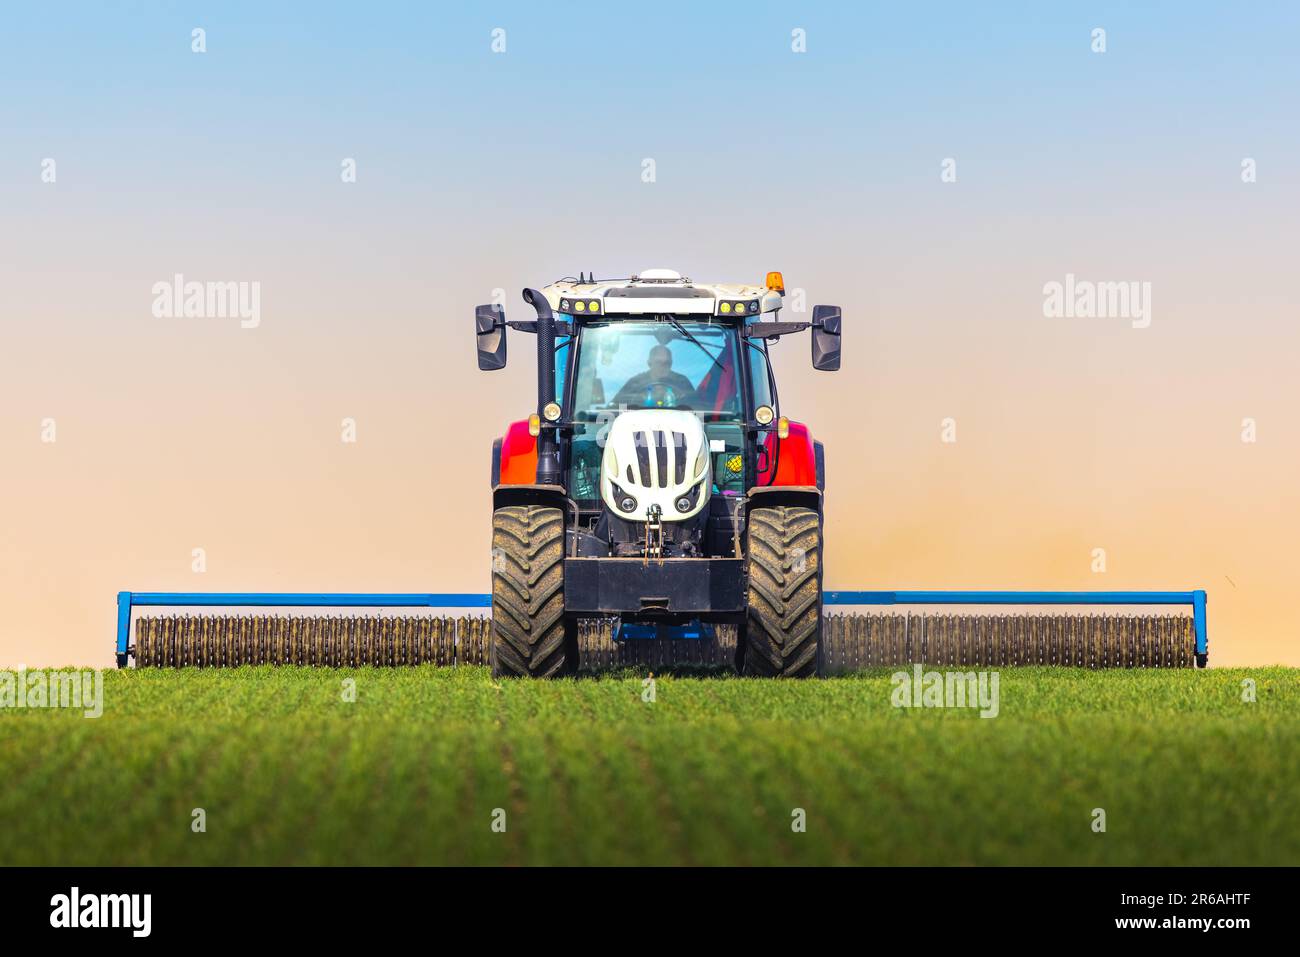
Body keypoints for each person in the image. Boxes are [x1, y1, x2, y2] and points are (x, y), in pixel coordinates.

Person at [612, 344, 697, 408]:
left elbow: (698, 408)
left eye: (667, 363)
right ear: (649, 363)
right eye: (658, 362)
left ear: (671, 364)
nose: (663, 366)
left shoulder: (682, 383)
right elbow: (615, 408)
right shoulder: (635, 383)